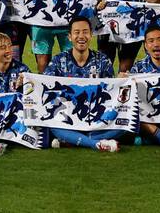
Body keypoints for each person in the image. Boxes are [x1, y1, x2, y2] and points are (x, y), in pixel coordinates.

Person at [44, 16, 121, 152]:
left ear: (91, 35)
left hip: (96, 117)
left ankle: (73, 140)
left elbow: (112, 93)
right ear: (69, 36)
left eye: (85, 32)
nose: (81, 36)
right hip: (68, 116)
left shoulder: (103, 61)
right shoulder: (58, 61)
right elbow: (45, 87)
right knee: (53, 125)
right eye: (77, 32)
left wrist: (121, 81)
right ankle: (96, 144)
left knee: (124, 122)